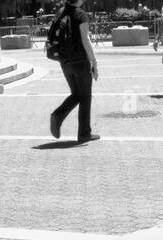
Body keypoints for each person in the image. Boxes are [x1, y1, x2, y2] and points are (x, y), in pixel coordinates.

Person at [48, 0, 100, 143]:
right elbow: (85, 39)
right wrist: (94, 62)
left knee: (77, 94)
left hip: (64, 61)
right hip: (80, 61)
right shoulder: (80, 14)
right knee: (85, 97)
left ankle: (58, 116)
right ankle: (84, 133)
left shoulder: (60, 12)